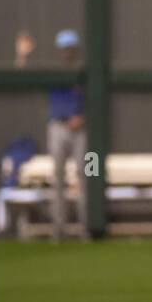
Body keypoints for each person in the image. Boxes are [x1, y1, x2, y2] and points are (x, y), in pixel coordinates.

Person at [48, 29, 88, 240]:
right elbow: (20, 75)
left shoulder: (84, 72)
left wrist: (83, 117)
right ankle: (58, 229)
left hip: (82, 131)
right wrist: (22, 55)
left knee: (88, 174)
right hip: (58, 128)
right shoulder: (52, 72)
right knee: (58, 178)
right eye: (64, 49)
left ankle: (87, 227)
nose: (67, 53)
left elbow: (94, 98)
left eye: (71, 49)